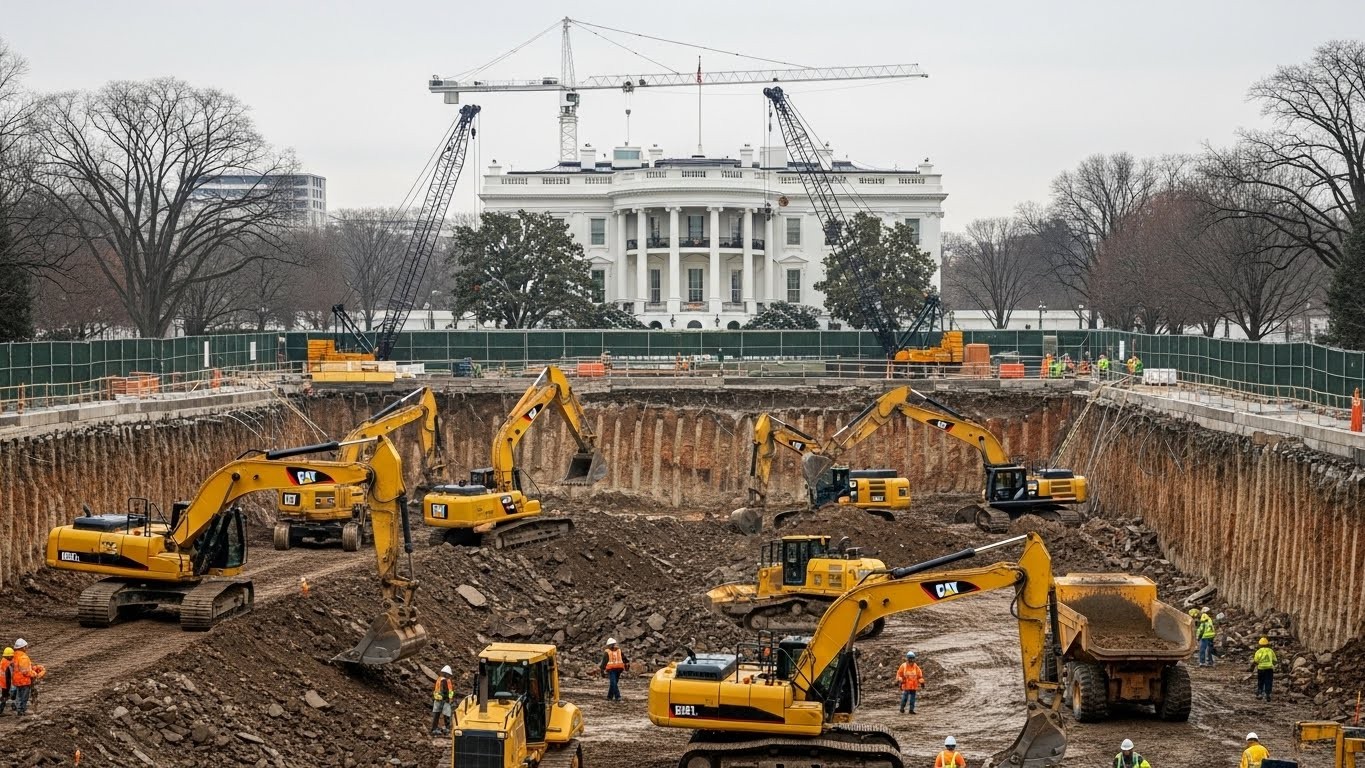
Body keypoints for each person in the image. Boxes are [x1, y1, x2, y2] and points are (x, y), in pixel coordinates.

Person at [10, 639, 36, 717]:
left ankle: (18, 709)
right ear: (23, 647)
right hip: (24, 680)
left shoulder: (14, 656)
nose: (26, 648)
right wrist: (34, 673)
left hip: (16, 680)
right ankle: (21, 710)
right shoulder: (23, 657)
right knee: (24, 696)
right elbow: (25, 671)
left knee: (19, 695)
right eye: (25, 646)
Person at [430, 664, 455, 736]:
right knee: (446, 714)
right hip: (444, 700)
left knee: (436, 714)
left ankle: (434, 728)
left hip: (438, 699)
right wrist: (447, 699)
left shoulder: (439, 679)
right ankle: (446, 728)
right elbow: (446, 691)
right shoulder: (444, 681)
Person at [0, 646, 12, 716]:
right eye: (11, 656)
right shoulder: (7, 664)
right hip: (5, 684)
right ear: (8, 656)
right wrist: (8, 687)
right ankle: (1, 709)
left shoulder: (2, 661)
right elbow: (8, 677)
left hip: (2, 683)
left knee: (3, 696)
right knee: (4, 697)